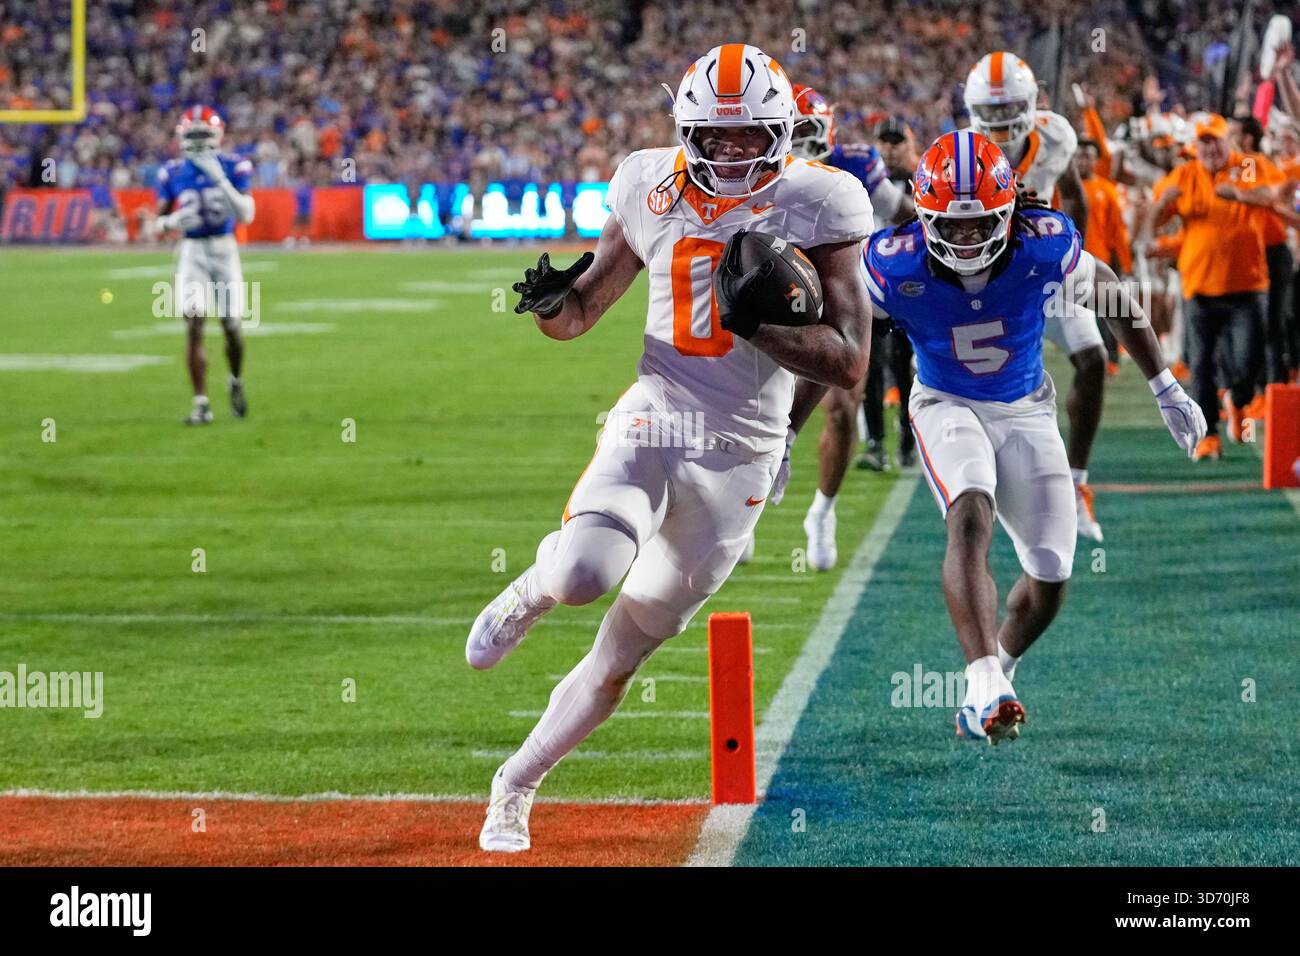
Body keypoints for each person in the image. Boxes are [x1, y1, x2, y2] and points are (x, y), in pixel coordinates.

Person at [465, 44, 874, 852]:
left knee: (621, 656)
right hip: (657, 415)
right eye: (714, 138)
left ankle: (514, 783)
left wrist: (761, 324)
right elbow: (579, 315)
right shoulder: (645, 182)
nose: (730, 153)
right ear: (686, 130)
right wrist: (549, 304)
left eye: (749, 136)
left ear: (783, 131)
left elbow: (851, 359)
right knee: (585, 571)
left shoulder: (823, 200)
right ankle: (536, 586)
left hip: (744, 453)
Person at [863, 131, 1205, 742]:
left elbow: (1111, 296)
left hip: (1025, 407)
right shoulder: (893, 260)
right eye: (952, 224)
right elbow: (841, 330)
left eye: (979, 224)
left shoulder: (1042, 245)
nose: (966, 238)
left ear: (1006, 211)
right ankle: (983, 676)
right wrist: (786, 420)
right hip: (945, 399)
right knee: (969, 507)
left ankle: (995, 679)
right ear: (925, 214)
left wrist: (1165, 385)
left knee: (1050, 573)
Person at [965, 52, 1110, 542]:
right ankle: (994, 489)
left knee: (1093, 359)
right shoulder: (964, 152)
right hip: (992, 283)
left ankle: (1077, 482)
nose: (1001, 123)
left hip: (1044, 272)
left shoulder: (1057, 136)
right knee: (1001, 390)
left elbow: (1075, 191)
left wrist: (1075, 255)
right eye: (992, 111)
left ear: (1032, 104)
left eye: (1009, 109)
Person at [783, 85, 913, 570]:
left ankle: (822, 510)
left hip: (842, 301)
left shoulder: (855, 164)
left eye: (805, 130)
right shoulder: (756, 175)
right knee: (746, 409)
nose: (797, 140)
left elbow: (904, 213)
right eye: (789, 130)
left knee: (840, 409)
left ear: (827, 131)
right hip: (779, 301)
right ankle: (738, 513)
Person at [1146, 114, 1280, 459]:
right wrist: (1162, 204)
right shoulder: (1186, 175)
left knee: (1247, 361)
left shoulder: (1246, 165)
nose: (1209, 148)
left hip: (1248, 285)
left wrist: (1236, 192)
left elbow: (1271, 194)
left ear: (1227, 140)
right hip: (1200, 286)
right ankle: (1208, 436)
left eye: (1215, 140)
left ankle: (1238, 401)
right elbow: (1154, 221)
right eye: (1203, 142)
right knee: (1202, 365)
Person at [154, 106, 255, 425]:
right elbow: (155, 223)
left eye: (203, 135)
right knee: (194, 322)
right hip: (192, 250)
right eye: (192, 135)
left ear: (217, 135)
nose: (197, 142)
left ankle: (235, 380)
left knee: (231, 325)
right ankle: (201, 403)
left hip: (224, 250)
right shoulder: (171, 172)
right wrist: (170, 221)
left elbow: (246, 215)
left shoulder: (233, 165)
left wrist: (220, 180)